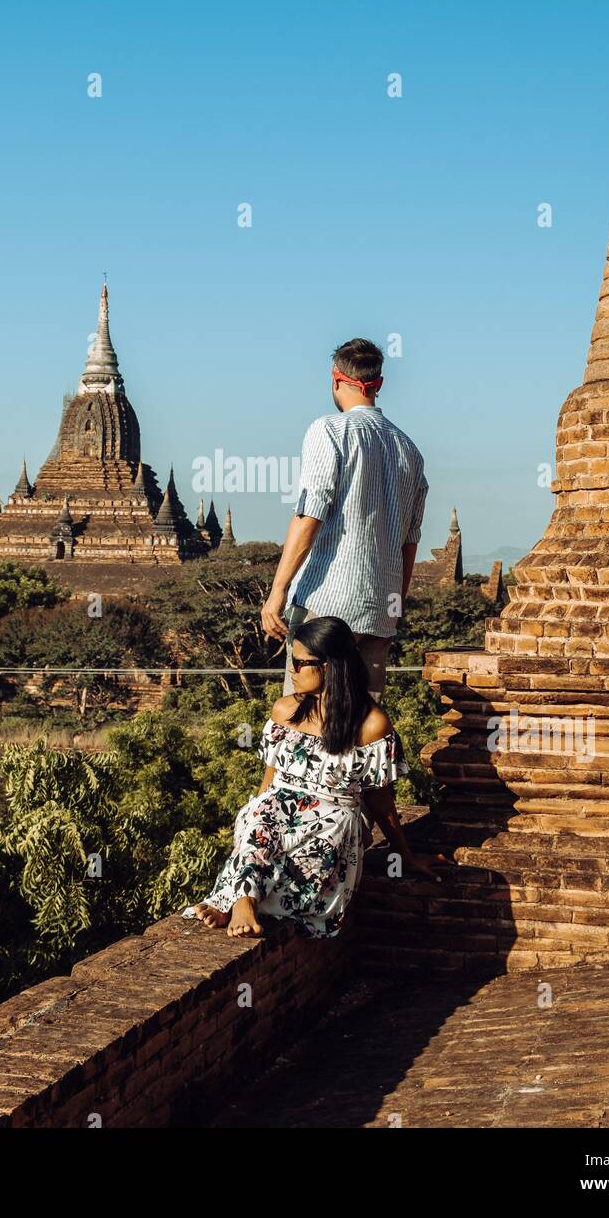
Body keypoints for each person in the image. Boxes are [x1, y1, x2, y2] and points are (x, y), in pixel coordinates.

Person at [259, 337, 450, 874]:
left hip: (324, 605)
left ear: (336, 379)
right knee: (360, 735)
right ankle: (354, 855)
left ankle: (286, 863)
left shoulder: (329, 430)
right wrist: (395, 603)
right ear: (380, 383)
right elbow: (411, 543)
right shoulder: (409, 450)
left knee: (305, 727)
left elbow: (310, 512)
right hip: (377, 610)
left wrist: (277, 589)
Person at [183, 617, 440, 941]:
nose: (292, 670)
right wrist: (253, 817)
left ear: (330, 667)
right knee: (260, 820)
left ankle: (237, 899)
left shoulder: (371, 724)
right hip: (280, 804)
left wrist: (405, 854)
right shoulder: (284, 711)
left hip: (333, 816)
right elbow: (270, 782)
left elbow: (380, 799)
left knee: (316, 853)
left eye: (301, 663)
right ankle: (243, 900)